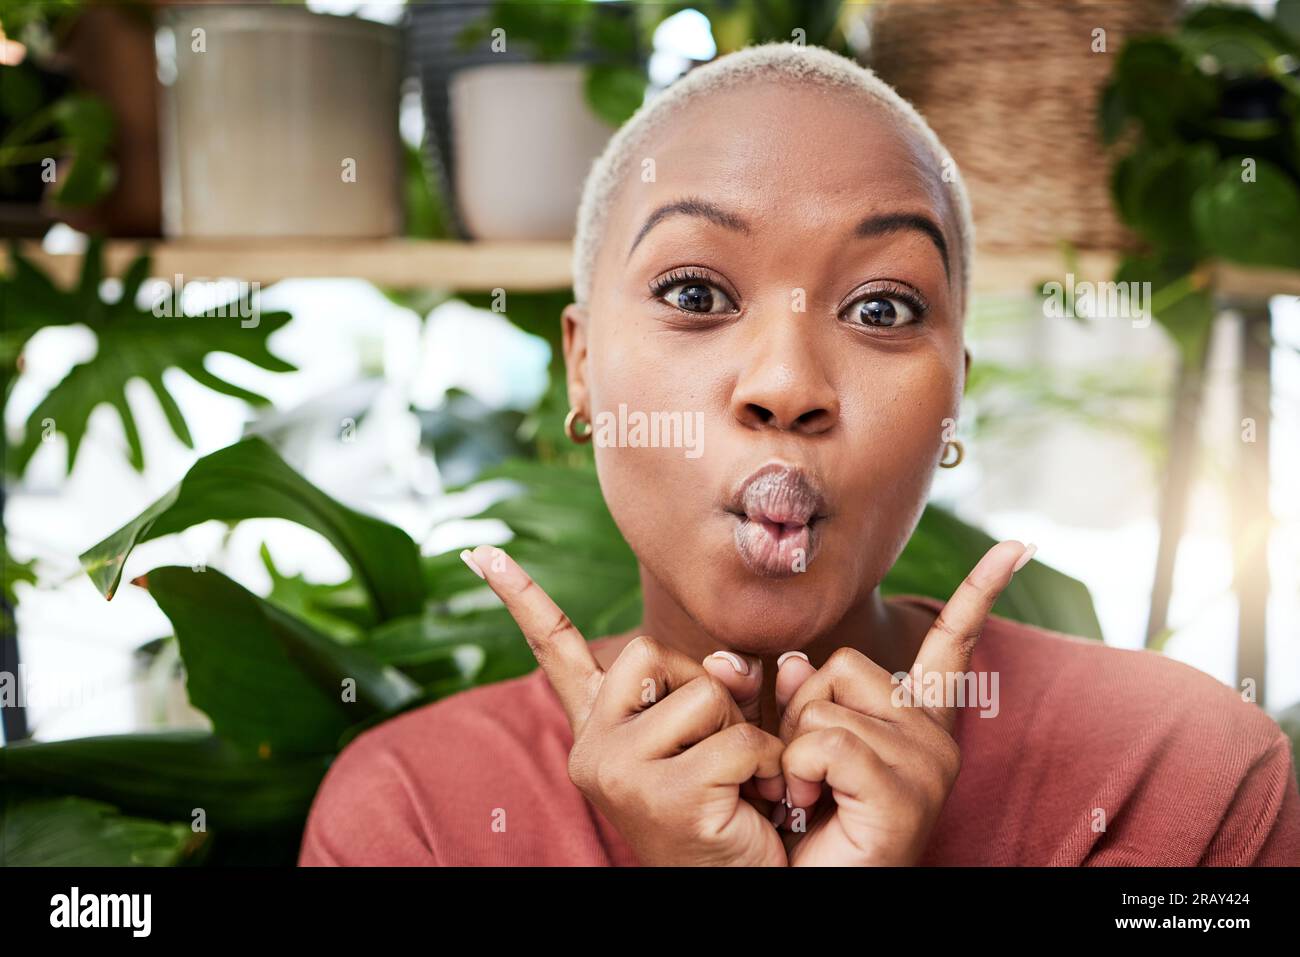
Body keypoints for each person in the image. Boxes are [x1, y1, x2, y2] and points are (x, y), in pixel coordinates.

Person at [298, 41, 1300, 866]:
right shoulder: (412, 818)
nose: (785, 385)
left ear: (954, 393)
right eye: (695, 295)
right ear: (582, 370)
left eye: (881, 308)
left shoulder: (1179, 780)